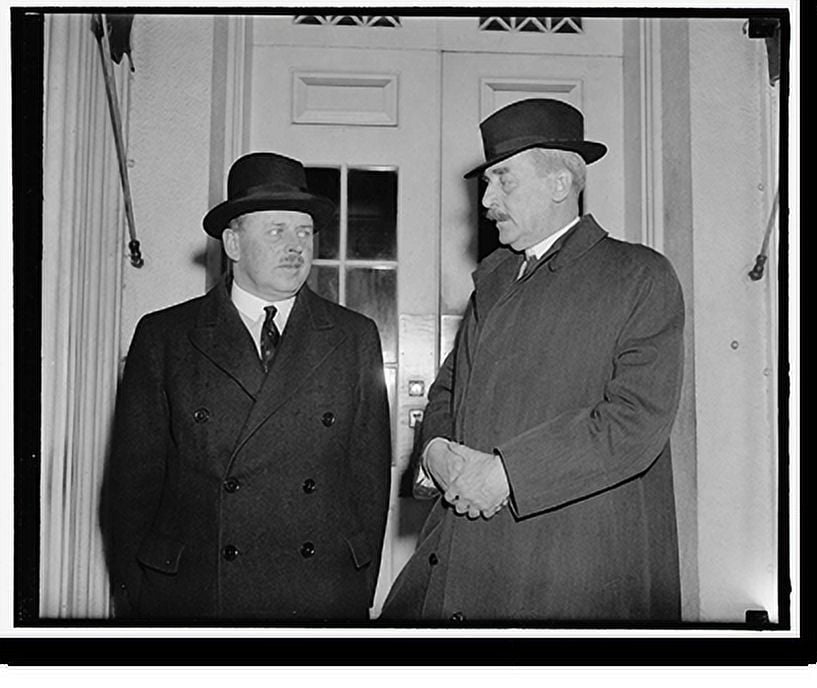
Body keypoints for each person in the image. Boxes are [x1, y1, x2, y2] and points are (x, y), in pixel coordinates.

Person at [381, 99, 684, 622]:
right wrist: (434, 452)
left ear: (559, 184)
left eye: (503, 180)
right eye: (487, 183)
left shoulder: (640, 276)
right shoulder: (494, 280)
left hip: (574, 568)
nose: (487, 200)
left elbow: (635, 423)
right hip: (464, 551)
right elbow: (448, 391)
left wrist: (506, 474)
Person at [107, 152, 392, 620]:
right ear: (234, 243)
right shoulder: (166, 337)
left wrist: (355, 587)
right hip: (198, 596)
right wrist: (141, 594)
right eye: (276, 231)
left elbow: (369, 483)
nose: (296, 246)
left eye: (304, 231)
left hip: (318, 596)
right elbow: (132, 486)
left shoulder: (354, 337)